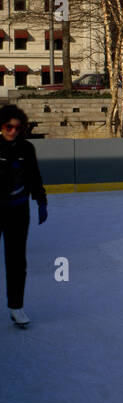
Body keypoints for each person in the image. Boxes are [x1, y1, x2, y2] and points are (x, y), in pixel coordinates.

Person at [0, 103, 47, 327]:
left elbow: (35, 177)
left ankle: (16, 307)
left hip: (18, 210)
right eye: (9, 127)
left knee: (17, 261)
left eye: (18, 128)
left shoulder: (27, 149)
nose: (13, 131)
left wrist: (41, 200)